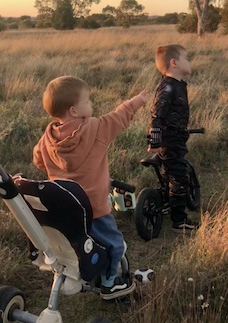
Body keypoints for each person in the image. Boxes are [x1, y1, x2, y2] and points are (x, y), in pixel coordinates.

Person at [33, 75, 149, 299]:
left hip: (64, 210)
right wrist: (137, 100)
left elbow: (38, 160)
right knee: (115, 244)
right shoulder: (95, 129)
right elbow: (119, 117)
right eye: (88, 101)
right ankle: (110, 282)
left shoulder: (47, 138)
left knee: (77, 242)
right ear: (74, 110)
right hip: (95, 208)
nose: (92, 105)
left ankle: (80, 271)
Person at [147, 44, 198, 233]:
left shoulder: (176, 84)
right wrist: (155, 140)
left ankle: (166, 201)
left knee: (171, 172)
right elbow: (156, 114)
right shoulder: (168, 87)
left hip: (175, 136)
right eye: (186, 58)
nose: (189, 62)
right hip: (170, 139)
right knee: (179, 177)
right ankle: (179, 221)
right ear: (174, 63)